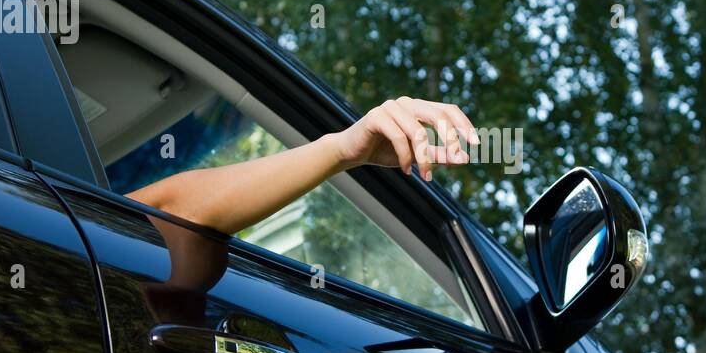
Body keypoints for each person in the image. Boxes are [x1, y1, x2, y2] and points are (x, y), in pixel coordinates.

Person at [128, 96, 478, 235]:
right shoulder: (79, 226)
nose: (231, 126)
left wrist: (345, 151)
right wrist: (341, 149)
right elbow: (164, 215)